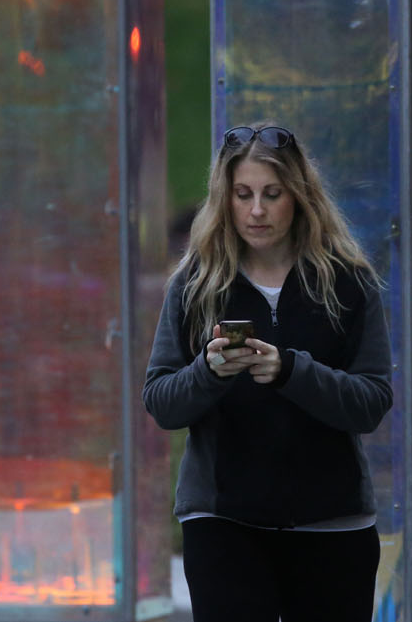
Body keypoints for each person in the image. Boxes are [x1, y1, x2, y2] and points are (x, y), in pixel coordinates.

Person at [142, 124, 393, 622]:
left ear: (298, 197)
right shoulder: (195, 284)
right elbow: (162, 402)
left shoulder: (347, 282)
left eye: (271, 194)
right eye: (243, 194)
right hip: (223, 522)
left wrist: (289, 370)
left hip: (332, 524)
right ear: (225, 200)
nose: (257, 210)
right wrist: (209, 371)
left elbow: (371, 403)